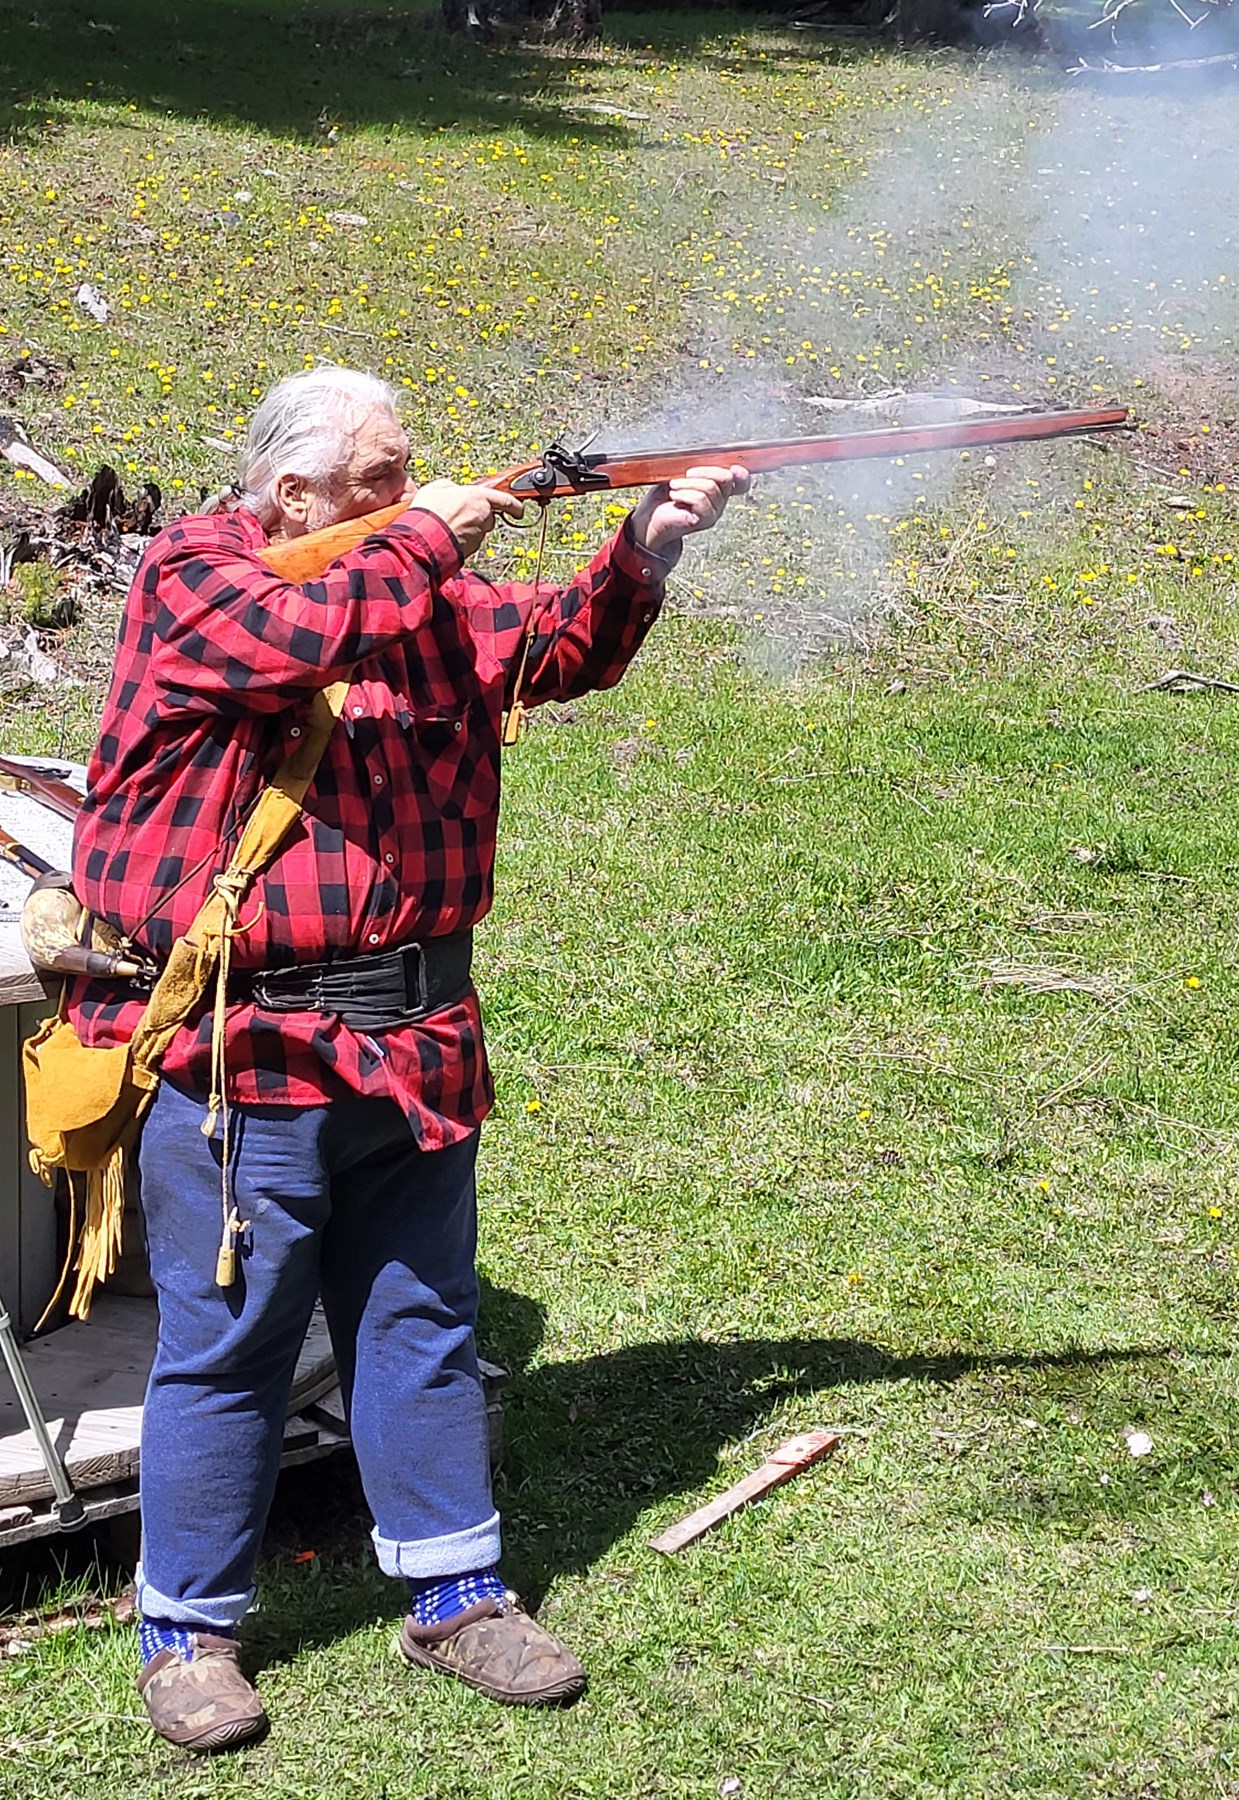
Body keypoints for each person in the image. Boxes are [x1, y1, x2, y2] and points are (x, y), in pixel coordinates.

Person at [67, 365, 749, 1754]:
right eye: (375, 478)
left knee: (425, 1319)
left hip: (421, 1034)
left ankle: (459, 1593)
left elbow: (548, 649)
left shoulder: (400, 578)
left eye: (406, 471)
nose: (405, 491)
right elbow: (292, 636)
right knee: (232, 1342)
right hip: (249, 1042)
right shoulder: (201, 577)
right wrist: (429, 531)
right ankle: (186, 1628)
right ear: (290, 494)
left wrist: (646, 547)